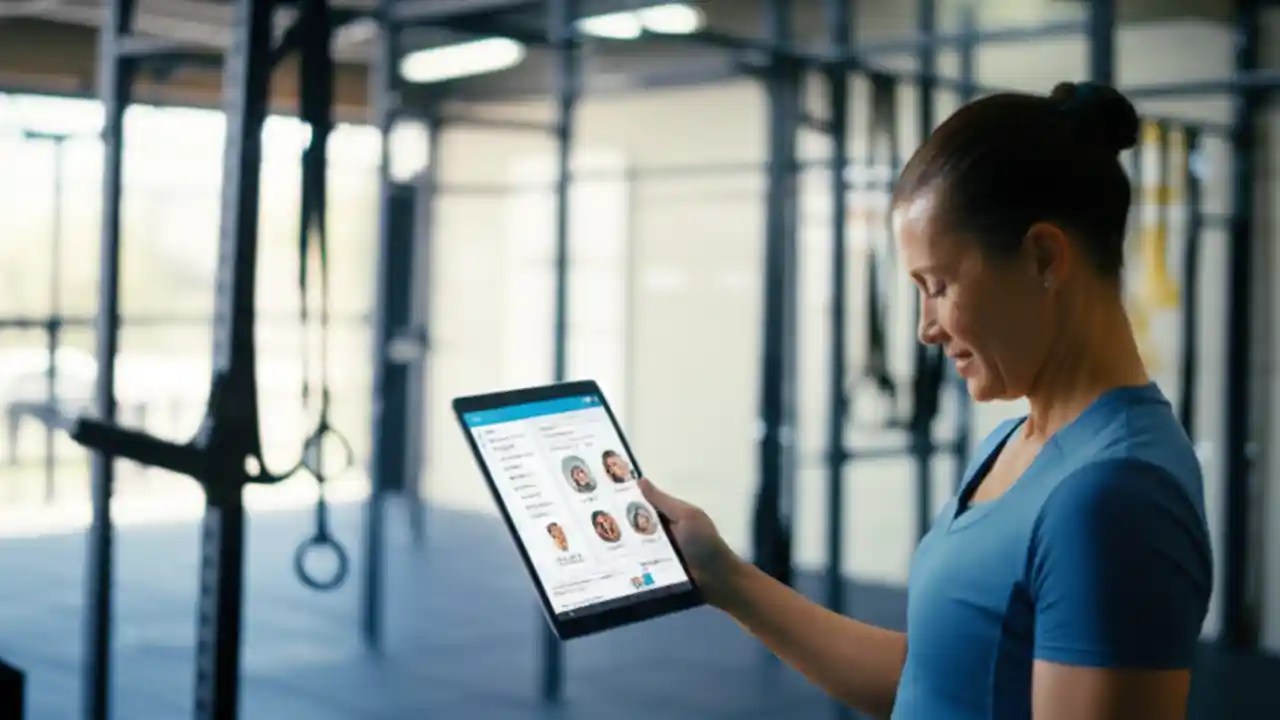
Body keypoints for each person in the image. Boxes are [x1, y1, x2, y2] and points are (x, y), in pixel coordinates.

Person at [639, 82, 1212, 720]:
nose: (925, 328)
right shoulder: (1017, 442)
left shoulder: (1113, 495)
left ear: (1045, 259)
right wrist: (724, 577)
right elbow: (938, 683)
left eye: (937, 286)